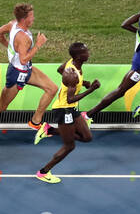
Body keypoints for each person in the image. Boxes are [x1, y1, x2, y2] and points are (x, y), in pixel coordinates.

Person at [0, 3, 57, 144]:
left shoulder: (13, 24)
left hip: (26, 70)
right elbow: (23, 59)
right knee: (1, 106)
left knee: (52, 88)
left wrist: (11, 48)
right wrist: (38, 44)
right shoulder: (24, 38)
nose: (34, 18)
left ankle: (35, 121)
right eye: (32, 16)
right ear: (25, 19)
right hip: (17, 73)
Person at [36, 42, 101, 182]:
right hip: (64, 110)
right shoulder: (71, 74)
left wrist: (83, 83)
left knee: (87, 137)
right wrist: (91, 89)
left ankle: (50, 130)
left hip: (71, 109)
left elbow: (60, 69)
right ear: (78, 56)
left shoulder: (72, 64)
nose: (88, 53)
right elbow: (70, 99)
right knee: (69, 146)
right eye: (86, 52)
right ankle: (43, 172)